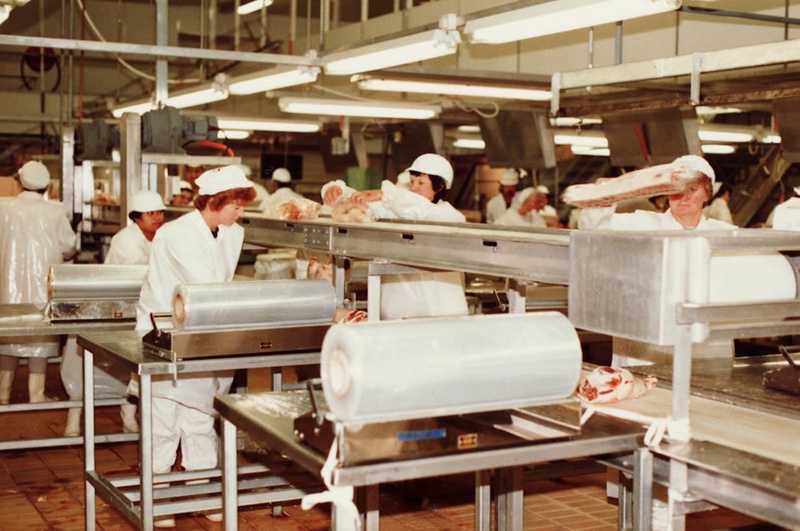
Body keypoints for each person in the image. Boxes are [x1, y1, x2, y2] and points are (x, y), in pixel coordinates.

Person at [136, 165, 256, 527]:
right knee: (164, 421)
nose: (242, 212)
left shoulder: (232, 232)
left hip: (204, 333)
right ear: (217, 201)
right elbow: (205, 286)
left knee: (200, 417)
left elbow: (220, 285)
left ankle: (201, 494)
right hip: (166, 333)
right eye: (237, 204)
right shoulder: (175, 234)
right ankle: (157, 499)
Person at [321, 153, 468, 320]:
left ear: (440, 186)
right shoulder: (396, 211)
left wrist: (387, 195)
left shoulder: (449, 216)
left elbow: (422, 211)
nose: (414, 187)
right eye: (412, 181)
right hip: (398, 310)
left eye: (421, 182)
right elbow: (362, 203)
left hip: (437, 312)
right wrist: (337, 191)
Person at [0, 160, 76, 405]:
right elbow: (69, 246)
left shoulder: (3, 208)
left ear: (20, 182)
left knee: (9, 335)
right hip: (42, 286)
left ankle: (3, 392)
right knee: (40, 337)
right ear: (46, 186)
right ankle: (36, 395)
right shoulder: (55, 210)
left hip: (7, 288)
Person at [578, 155, 735, 232]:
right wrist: (604, 198)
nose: (683, 197)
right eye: (676, 189)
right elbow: (592, 228)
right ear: (667, 192)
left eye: (692, 189)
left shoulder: (724, 233)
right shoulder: (645, 224)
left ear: (707, 195)